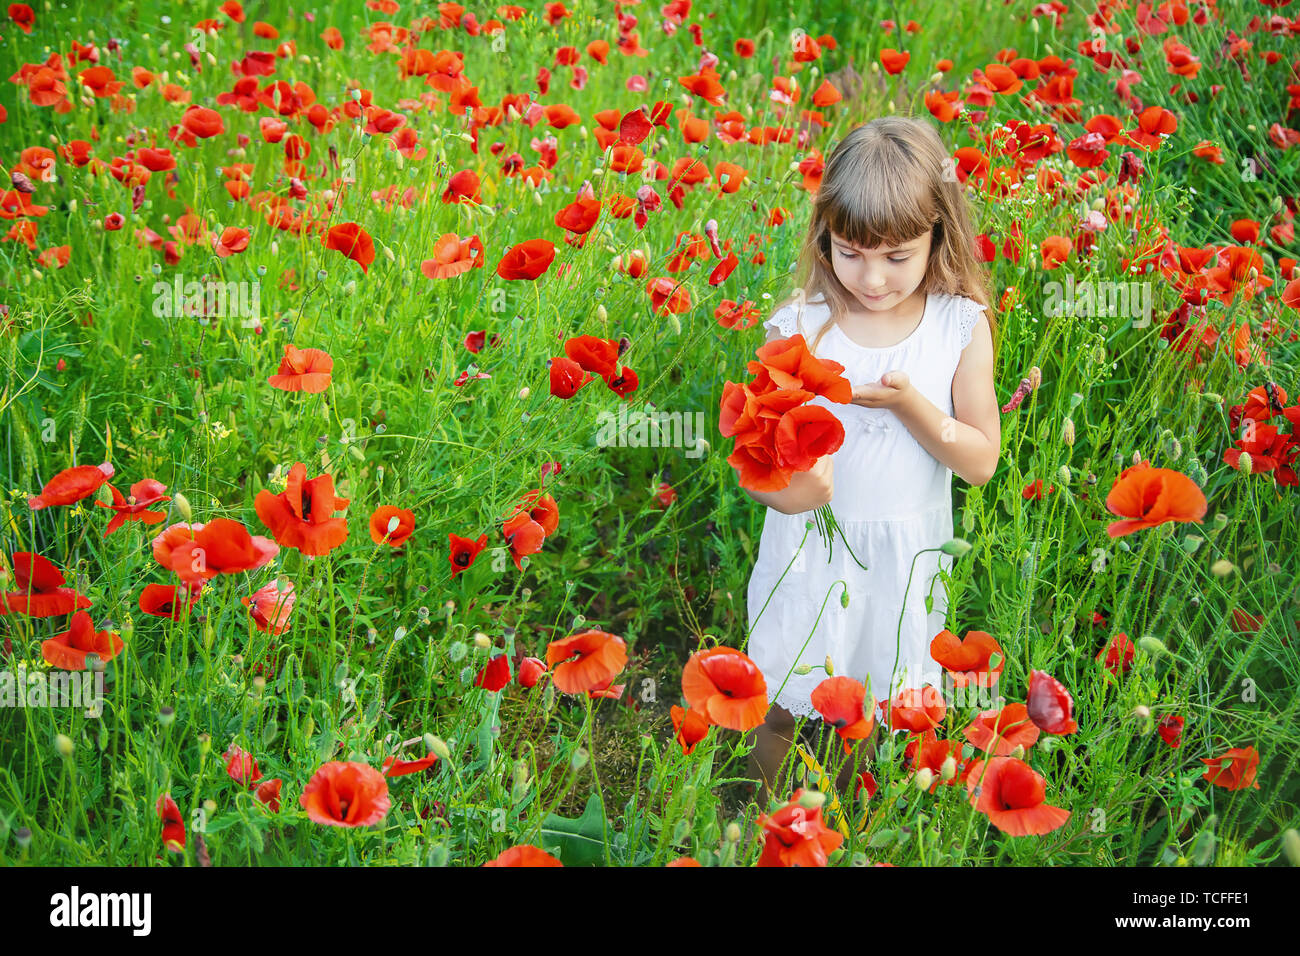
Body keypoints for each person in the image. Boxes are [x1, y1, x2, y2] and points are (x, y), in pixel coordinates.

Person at [736, 116, 1002, 807]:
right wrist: (791, 498)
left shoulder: (957, 326)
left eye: (897, 256)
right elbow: (758, 464)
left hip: (902, 560)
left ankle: (849, 824)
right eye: (851, 253)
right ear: (824, 234)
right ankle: (759, 811)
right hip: (807, 553)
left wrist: (912, 406)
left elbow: (979, 461)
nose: (873, 277)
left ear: (938, 236)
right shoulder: (798, 327)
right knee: (782, 697)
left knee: (878, 709)